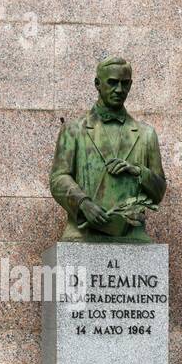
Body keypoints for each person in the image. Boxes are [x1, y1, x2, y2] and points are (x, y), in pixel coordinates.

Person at [49, 55, 166, 243]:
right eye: (112, 83)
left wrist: (138, 172)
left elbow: (159, 191)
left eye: (125, 84)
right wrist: (82, 203)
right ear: (97, 83)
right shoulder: (73, 130)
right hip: (83, 234)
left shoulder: (146, 134)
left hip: (132, 235)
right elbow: (58, 178)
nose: (119, 89)